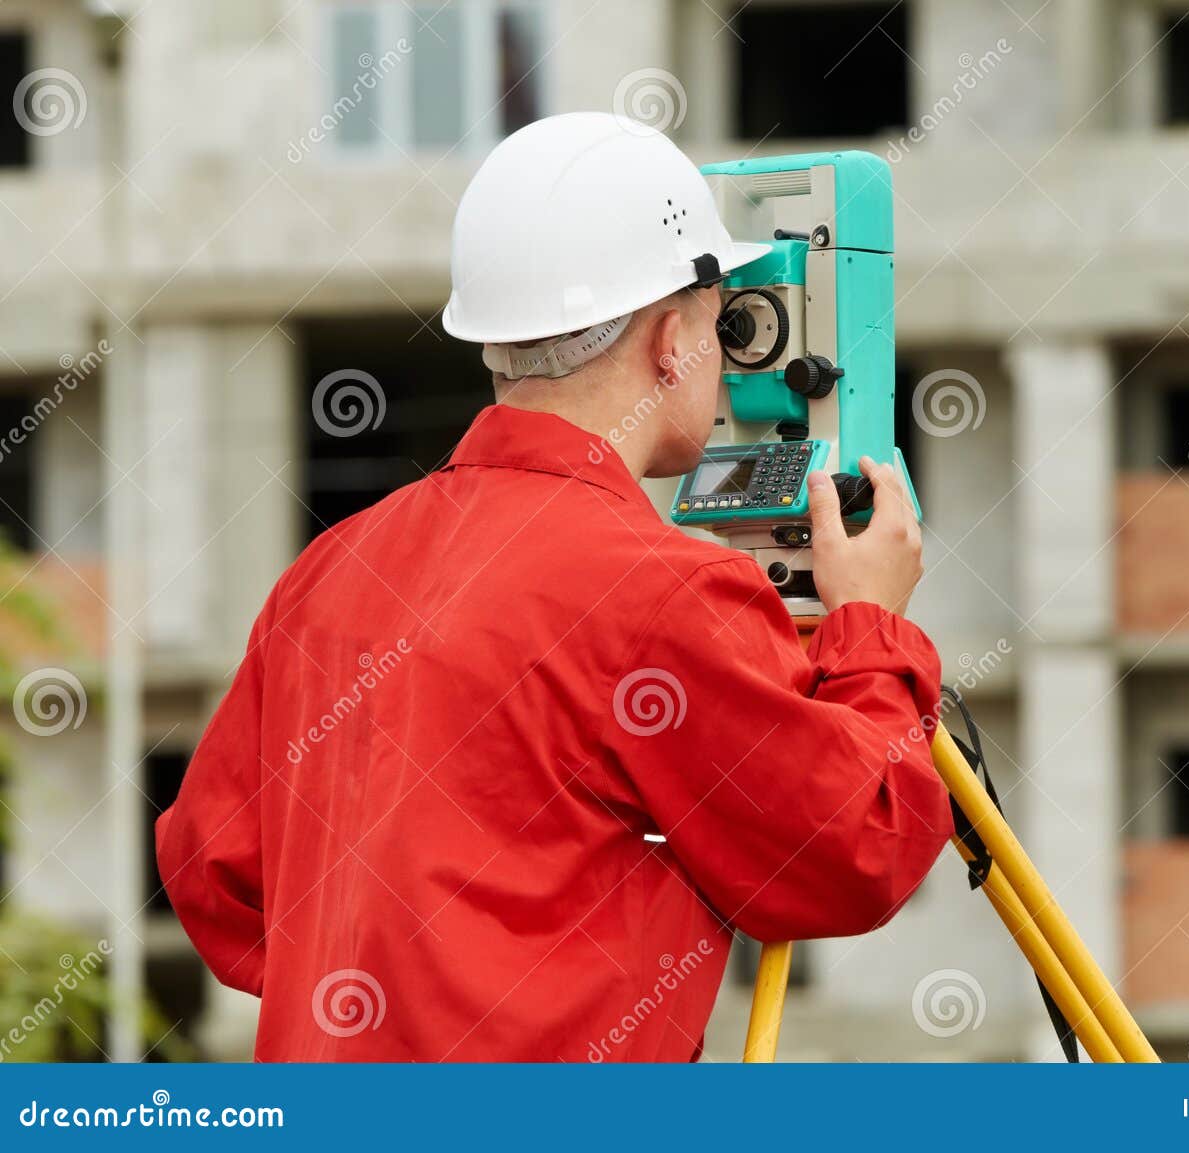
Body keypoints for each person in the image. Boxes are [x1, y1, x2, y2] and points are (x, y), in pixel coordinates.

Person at [156, 112, 952, 1061]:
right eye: (720, 323)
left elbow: (215, 873)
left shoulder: (329, 571)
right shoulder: (665, 592)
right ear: (671, 342)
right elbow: (859, 846)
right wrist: (868, 625)